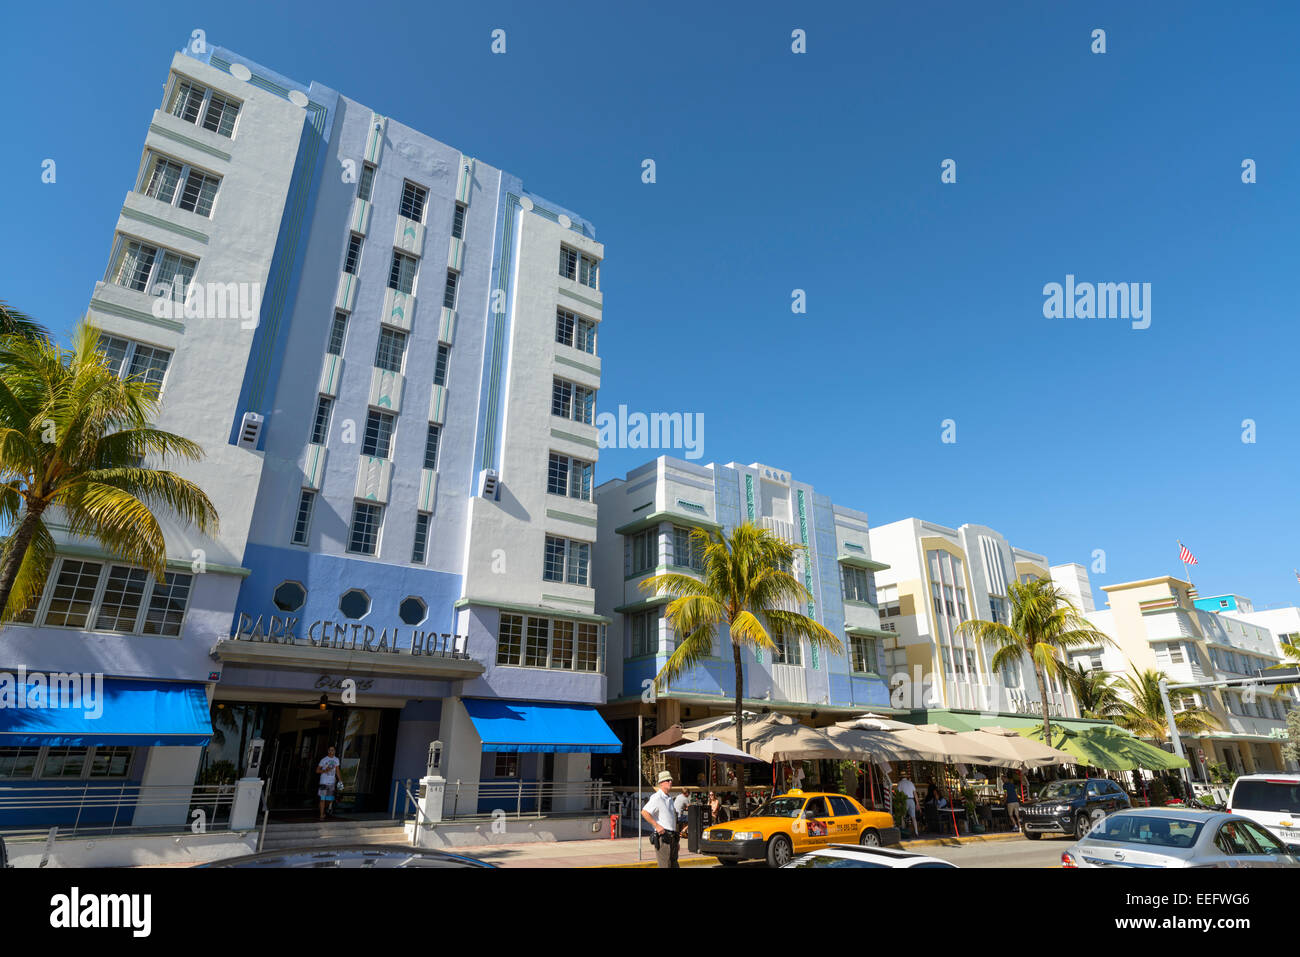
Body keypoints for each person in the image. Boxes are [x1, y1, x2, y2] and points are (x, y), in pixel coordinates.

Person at [641, 770, 680, 868]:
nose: (670, 782)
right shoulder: (657, 797)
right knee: (665, 865)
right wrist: (657, 826)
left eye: (671, 780)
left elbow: (671, 819)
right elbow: (645, 812)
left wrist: (676, 841)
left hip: (672, 837)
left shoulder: (669, 798)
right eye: (667, 780)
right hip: (663, 837)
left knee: (674, 864)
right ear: (661, 783)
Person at [316, 745, 341, 822]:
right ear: (328, 751)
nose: (331, 751)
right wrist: (325, 770)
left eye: (333, 750)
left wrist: (340, 780)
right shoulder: (323, 760)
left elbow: (337, 771)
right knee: (322, 798)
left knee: (329, 800)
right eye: (330, 750)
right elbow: (317, 771)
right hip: (323, 781)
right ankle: (321, 815)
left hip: (332, 782)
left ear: (334, 751)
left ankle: (322, 807)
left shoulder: (336, 759)